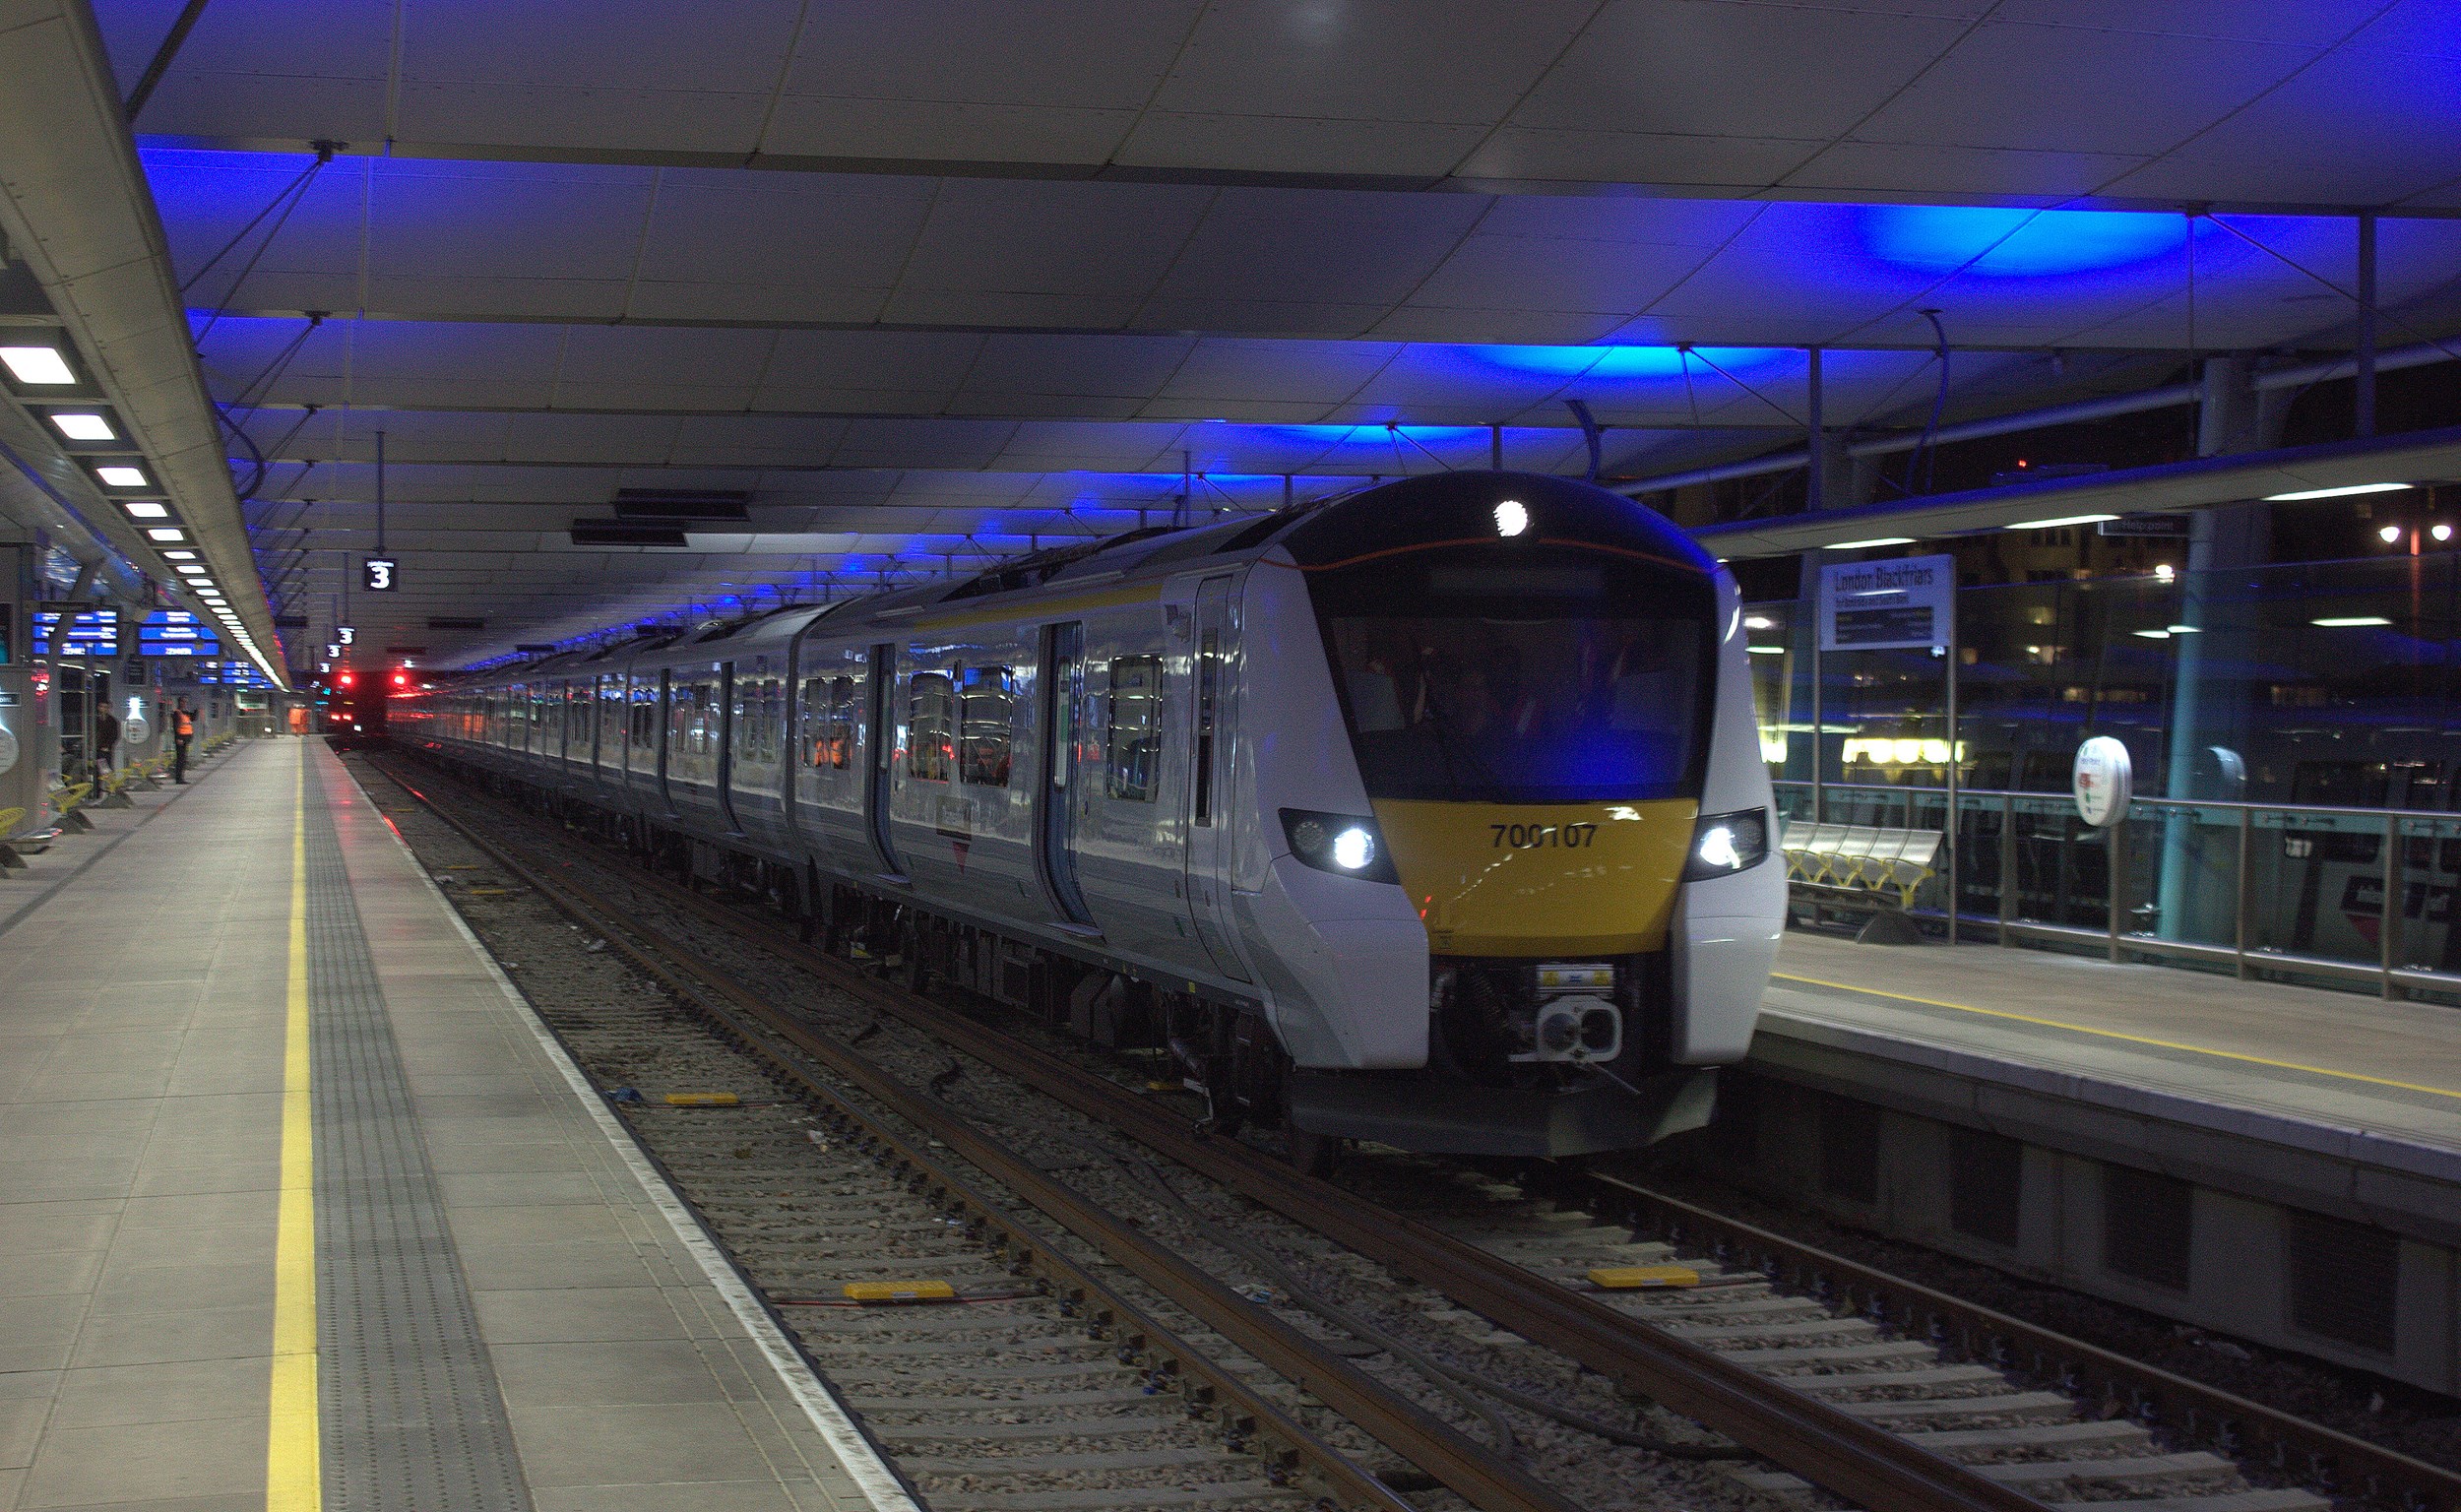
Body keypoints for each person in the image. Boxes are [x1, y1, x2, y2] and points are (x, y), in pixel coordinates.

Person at [93, 705, 121, 774]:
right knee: (96, 770)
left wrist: (107, 746)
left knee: (106, 769)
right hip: (96, 748)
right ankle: (97, 784)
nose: (104, 709)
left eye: (106, 707)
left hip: (105, 749)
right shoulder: (95, 719)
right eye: (102, 707)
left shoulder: (112, 721)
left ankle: (110, 783)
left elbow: (115, 735)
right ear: (98, 707)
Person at [172, 701, 195, 785]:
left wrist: (196, 709)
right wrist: (178, 738)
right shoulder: (177, 713)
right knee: (180, 759)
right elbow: (175, 726)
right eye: (183, 702)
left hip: (186, 738)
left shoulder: (186, 712)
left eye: (185, 702)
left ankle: (181, 777)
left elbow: (193, 718)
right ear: (180, 703)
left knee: (183, 759)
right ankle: (178, 778)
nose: (185, 703)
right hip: (180, 738)